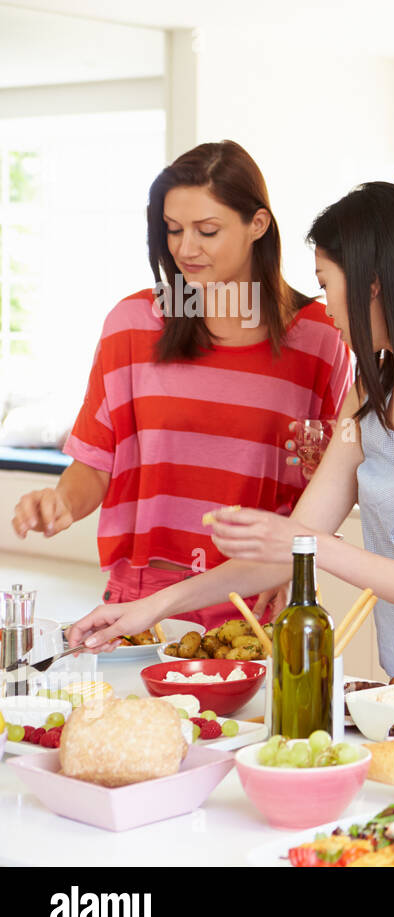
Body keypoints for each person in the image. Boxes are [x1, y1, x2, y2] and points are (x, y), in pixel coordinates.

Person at [70, 181, 394, 720]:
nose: (325, 308)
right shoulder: (374, 390)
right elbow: (290, 545)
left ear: (372, 284)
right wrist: (149, 608)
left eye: (326, 286)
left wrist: (313, 545)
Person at [13, 140, 352, 631]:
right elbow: (95, 463)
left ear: (258, 224)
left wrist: (294, 565)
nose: (185, 249)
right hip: (142, 599)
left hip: (258, 604)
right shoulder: (133, 325)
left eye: (207, 231)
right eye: (172, 230)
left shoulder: (320, 336)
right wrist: (61, 503)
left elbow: (328, 483)